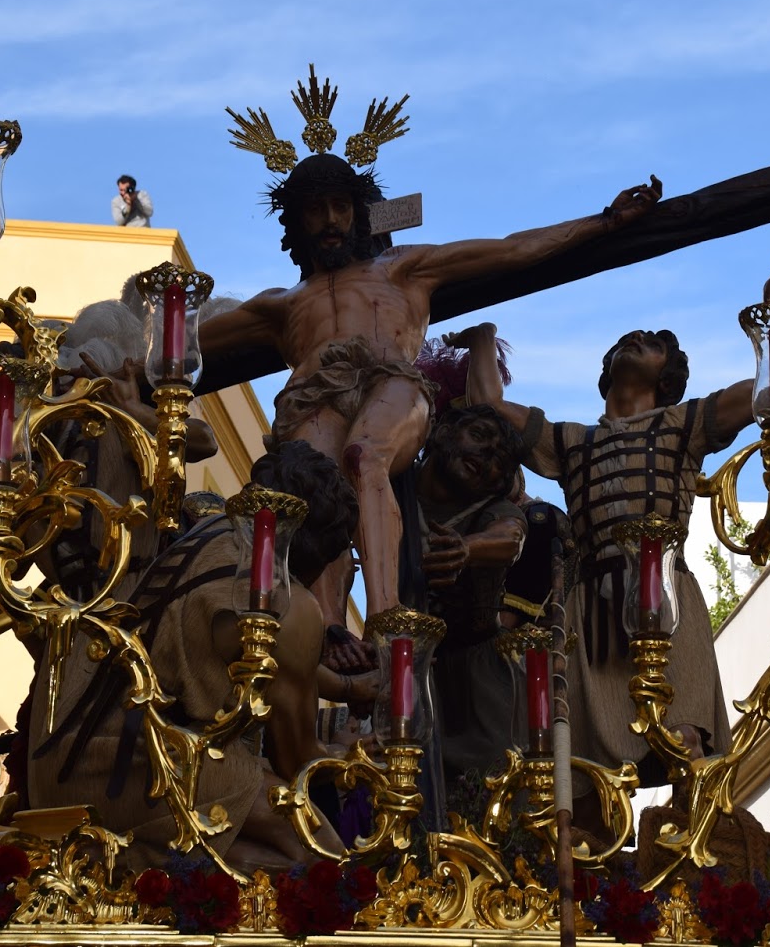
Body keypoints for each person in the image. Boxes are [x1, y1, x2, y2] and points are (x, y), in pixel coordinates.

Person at [194, 150, 662, 638]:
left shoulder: (403, 268)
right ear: (295, 220)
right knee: (315, 488)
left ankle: (386, 616)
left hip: (389, 381)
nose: (331, 220)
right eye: (315, 209)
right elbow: (181, 343)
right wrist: (128, 356)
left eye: (340, 205)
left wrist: (604, 221)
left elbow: (510, 249)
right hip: (314, 393)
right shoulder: (280, 304)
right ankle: (330, 626)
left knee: (364, 455)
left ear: (358, 210)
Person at [447, 231, 770, 806]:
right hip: (591, 610)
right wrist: (485, 338)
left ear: (666, 380)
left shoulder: (682, 423)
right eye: (631, 337)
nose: (640, 336)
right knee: (584, 768)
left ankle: (696, 856)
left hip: (667, 596)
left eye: (656, 341)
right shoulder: (570, 441)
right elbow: (489, 409)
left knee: (687, 740)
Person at [25, 440, 368, 871]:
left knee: (262, 841)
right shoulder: (293, 608)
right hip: (135, 766)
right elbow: (297, 761)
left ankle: (145, 869)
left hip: (58, 756)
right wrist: (356, 759)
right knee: (324, 860)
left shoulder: (208, 533)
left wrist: (348, 686)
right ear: (327, 552)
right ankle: (136, 868)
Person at [416, 405, 528, 787]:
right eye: (478, 436)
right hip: (407, 667)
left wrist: (467, 547)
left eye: (499, 457)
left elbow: (510, 536)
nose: (485, 455)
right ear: (444, 430)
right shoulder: (390, 486)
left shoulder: (494, 510)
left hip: (479, 683)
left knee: (491, 791)